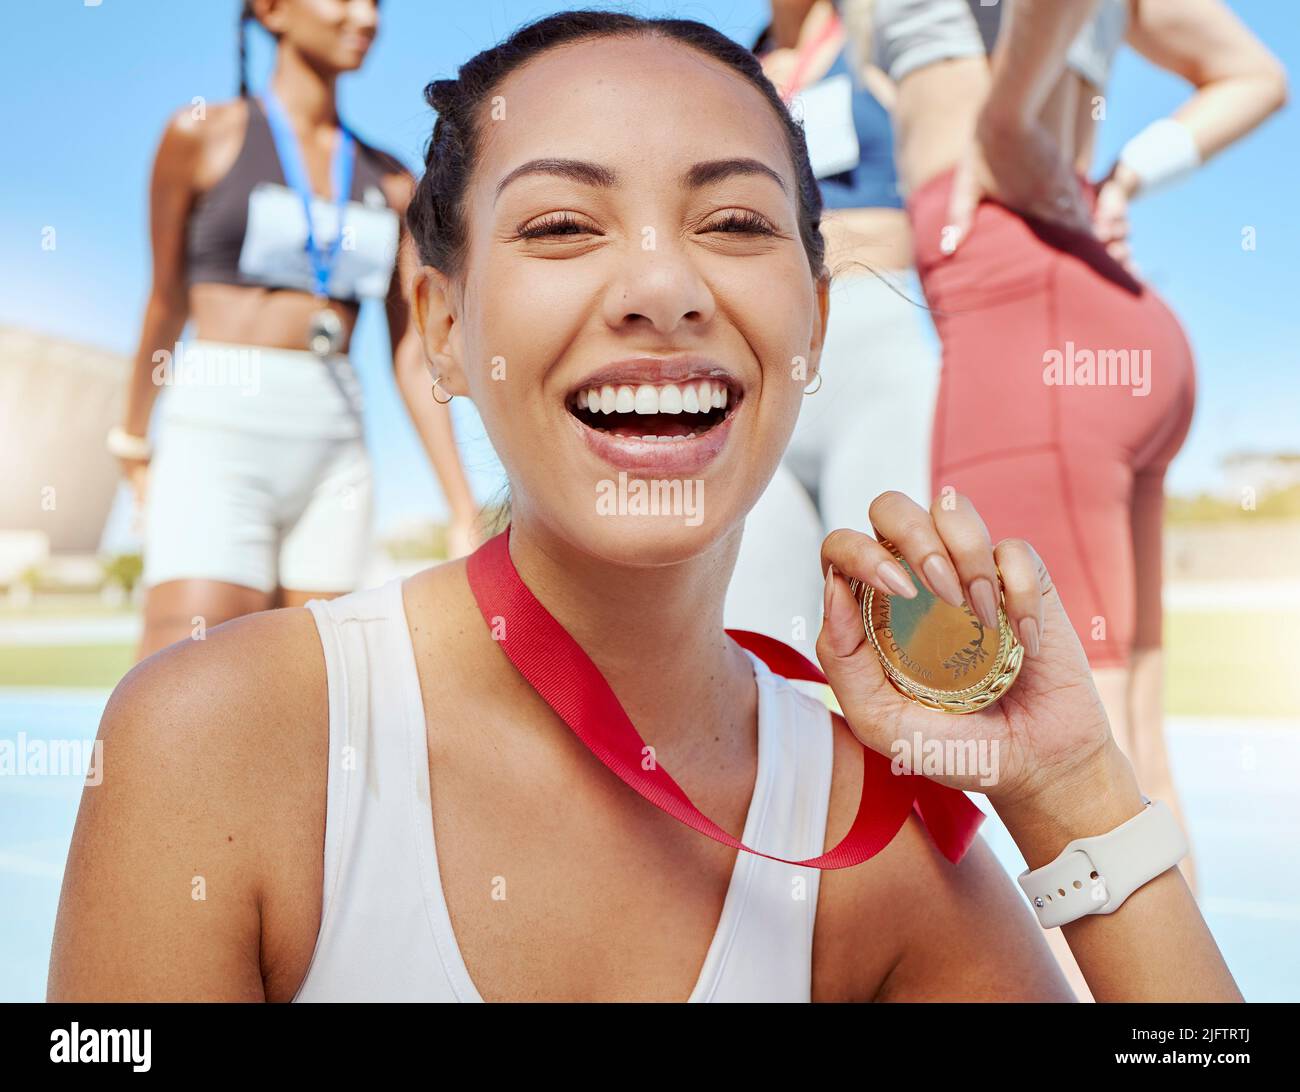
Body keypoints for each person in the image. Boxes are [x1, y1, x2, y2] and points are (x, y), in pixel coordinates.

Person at [49, 10, 1242, 1004]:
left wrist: (1072, 785)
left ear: (815, 324)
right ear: (446, 329)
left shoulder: (863, 839)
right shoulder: (218, 742)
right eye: (563, 224)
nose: (663, 287)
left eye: (732, 223)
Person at [855, 0, 1287, 906]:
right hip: (1103, 317)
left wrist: (1005, 121)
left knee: (1066, 759)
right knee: (1132, 752)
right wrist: (1126, 176)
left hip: (1024, 325)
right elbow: (1260, 75)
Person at [113, 0, 481, 661]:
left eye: (374, 2)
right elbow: (165, 301)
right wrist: (133, 438)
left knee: (321, 687)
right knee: (184, 676)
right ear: (272, 10)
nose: (364, 16)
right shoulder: (204, 135)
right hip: (218, 430)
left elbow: (411, 352)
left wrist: (461, 507)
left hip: (335, 441)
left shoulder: (394, 180)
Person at [725, 0, 939, 662]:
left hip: (874, 344)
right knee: (760, 646)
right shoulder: (735, 72)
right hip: (757, 358)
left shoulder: (886, 40)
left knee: (902, 625)